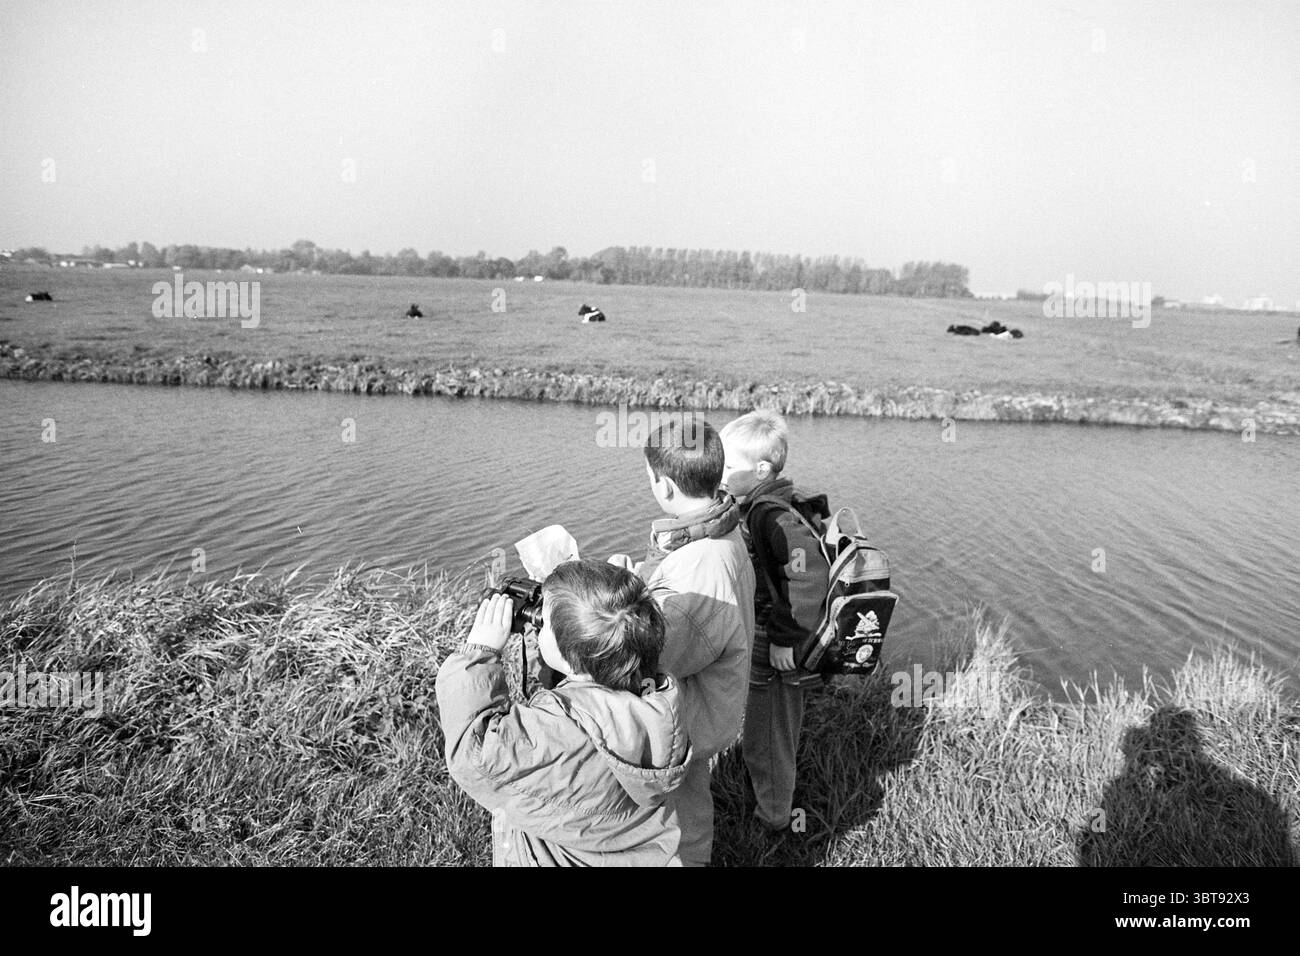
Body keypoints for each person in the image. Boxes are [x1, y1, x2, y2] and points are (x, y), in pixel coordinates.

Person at [436, 559, 691, 866]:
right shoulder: (657, 699)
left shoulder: (557, 731)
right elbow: (587, 687)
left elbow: (475, 752)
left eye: (542, 624)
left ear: (570, 659)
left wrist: (479, 653)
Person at [611, 415, 755, 865]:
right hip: (702, 714)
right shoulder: (721, 528)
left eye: (651, 477)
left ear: (665, 485)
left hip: (685, 723)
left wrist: (610, 612)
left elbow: (655, 656)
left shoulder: (699, 566)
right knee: (690, 803)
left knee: (675, 825)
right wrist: (638, 583)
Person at [720, 409, 826, 834]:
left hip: (778, 640)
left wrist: (785, 639)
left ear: (761, 469)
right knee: (769, 726)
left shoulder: (772, 514)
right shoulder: (764, 503)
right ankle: (770, 796)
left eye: (729, 466)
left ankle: (773, 821)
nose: (721, 474)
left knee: (769, 732)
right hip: (770, 632)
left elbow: (807, 577)